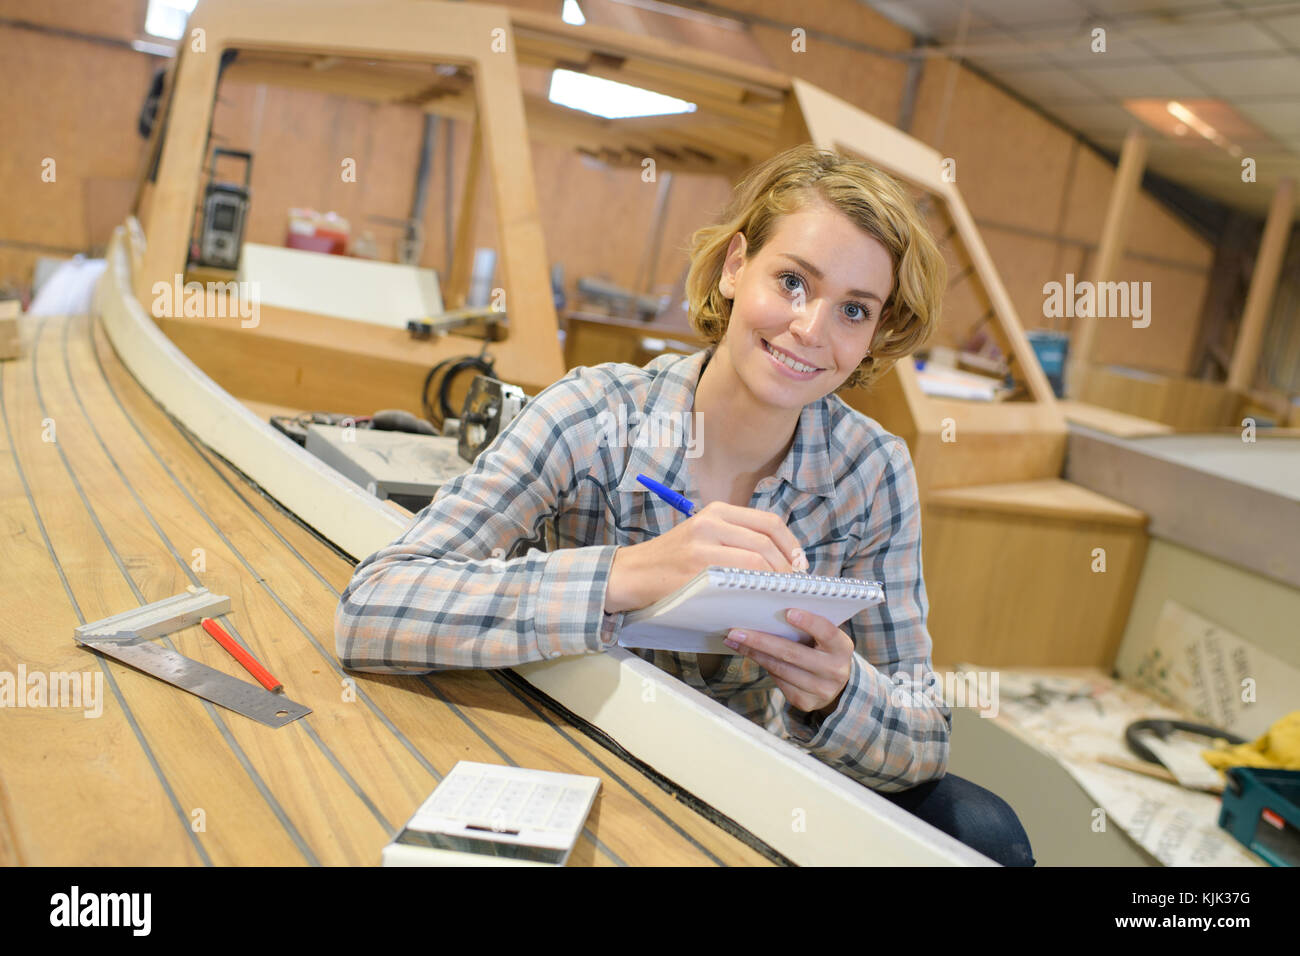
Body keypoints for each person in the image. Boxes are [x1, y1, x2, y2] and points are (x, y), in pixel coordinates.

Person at [335, 144, 1035, 867]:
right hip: (565, 754)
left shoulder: (874, 473)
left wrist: (837, 694)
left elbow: (924, 737)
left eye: (853, 310)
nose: (812, 330)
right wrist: (625, 574)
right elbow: (375, 605)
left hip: (742, 793)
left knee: (987, 834)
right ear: (735, 267)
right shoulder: (592, 415)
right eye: (792, 281)